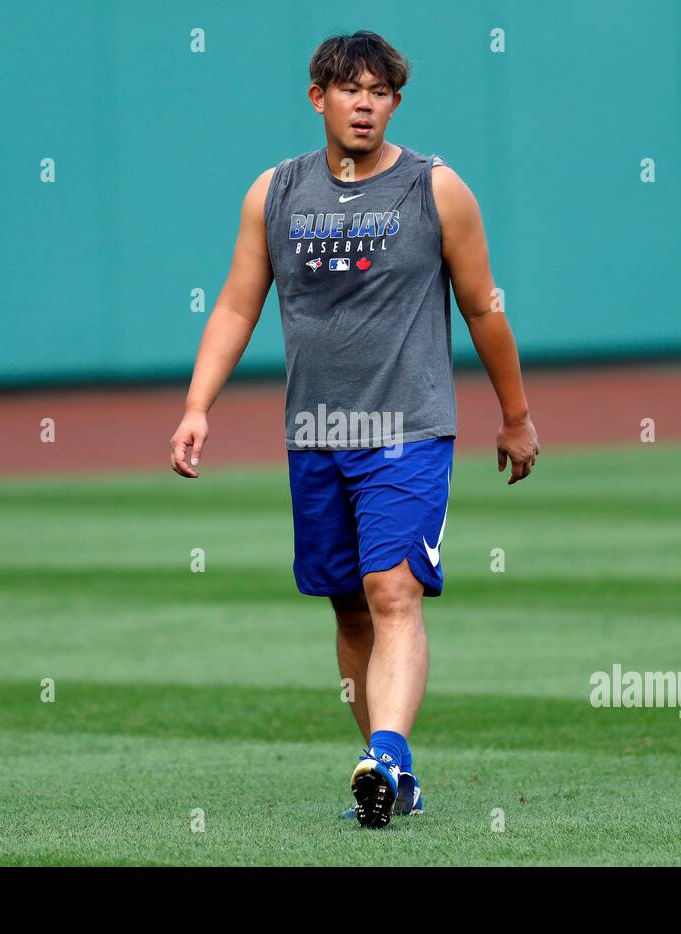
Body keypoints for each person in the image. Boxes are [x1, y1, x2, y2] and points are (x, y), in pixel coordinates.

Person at [170, 30, 538, 828]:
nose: (364, 103)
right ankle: (387, 769)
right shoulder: (275, 192)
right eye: (349, 89)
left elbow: (483, 308)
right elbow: (237, 304)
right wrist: (199, 405)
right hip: (316, 434)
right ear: (319, 98)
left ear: (395, 103)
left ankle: (389, 754)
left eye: (379, 91)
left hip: (408, 427)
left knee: (392, 588)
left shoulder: (435, 191)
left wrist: (514, 416)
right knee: (347, 607)